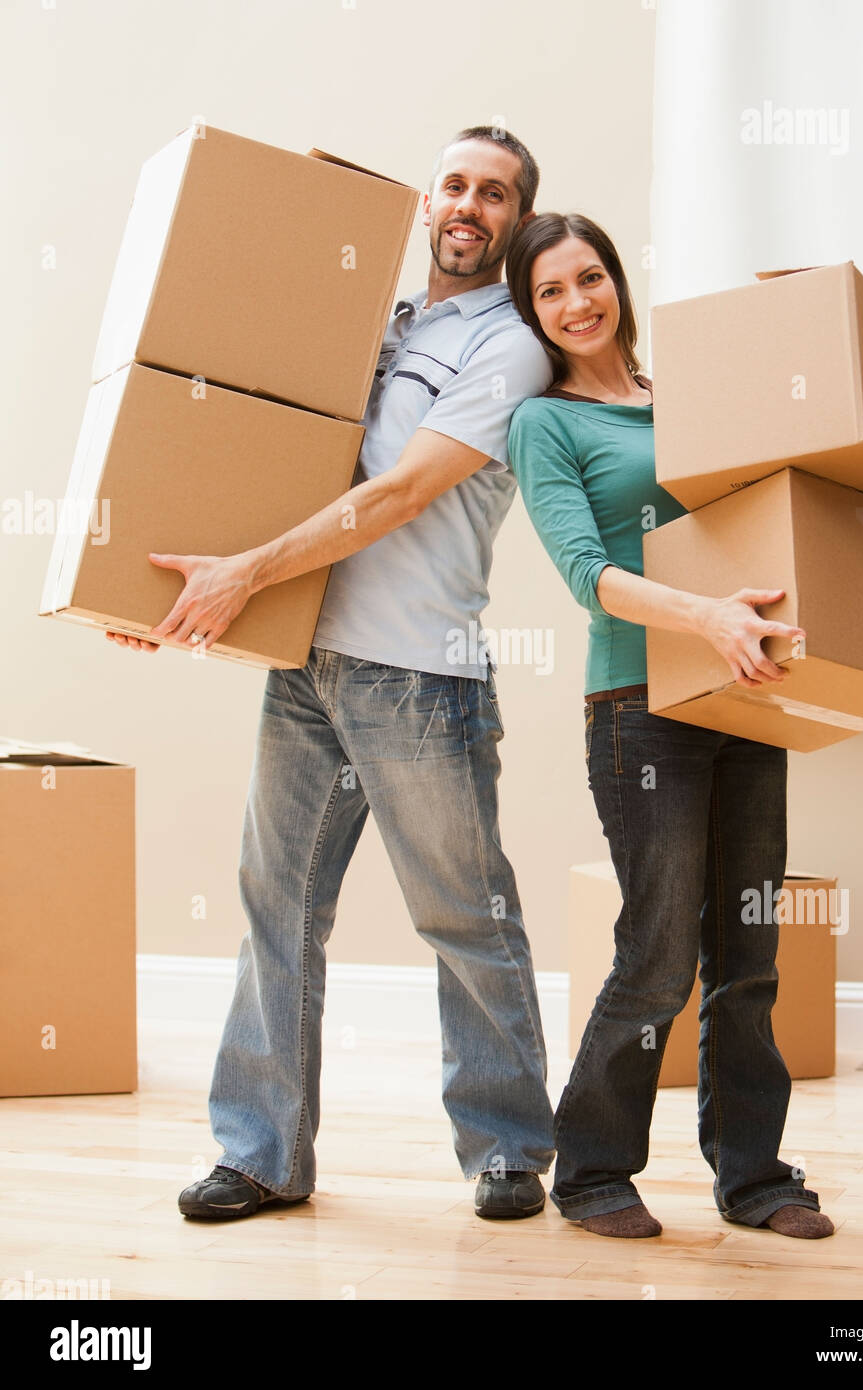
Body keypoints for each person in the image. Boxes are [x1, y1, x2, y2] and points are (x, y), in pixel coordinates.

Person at [107, 128, 558, 1222]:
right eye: (452, 183)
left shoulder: (512, 348)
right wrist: (160, 591)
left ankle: (505, 1146)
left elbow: (397, 495)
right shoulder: (376, 327)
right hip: (306, 661)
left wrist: (240, 575)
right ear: (424, 205)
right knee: (277, 904)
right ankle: (261, 1153)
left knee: (461, 910)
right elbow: (268, 455)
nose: (467, 204)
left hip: (418, 678)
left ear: (513, 220)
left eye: (492, 193)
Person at [505, 212, 863, 1239]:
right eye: (549, 293)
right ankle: (589, 1170)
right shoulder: (544, 424)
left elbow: (812, 488)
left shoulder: (700, 399)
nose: (577, 303)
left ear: (615, 281)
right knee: (659, 951)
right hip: (640, 705)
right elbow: (590, 576)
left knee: (748, 947)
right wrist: (704, 616)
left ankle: (751, 1175)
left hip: (745, 688)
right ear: (530, 313)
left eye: (589, 278)